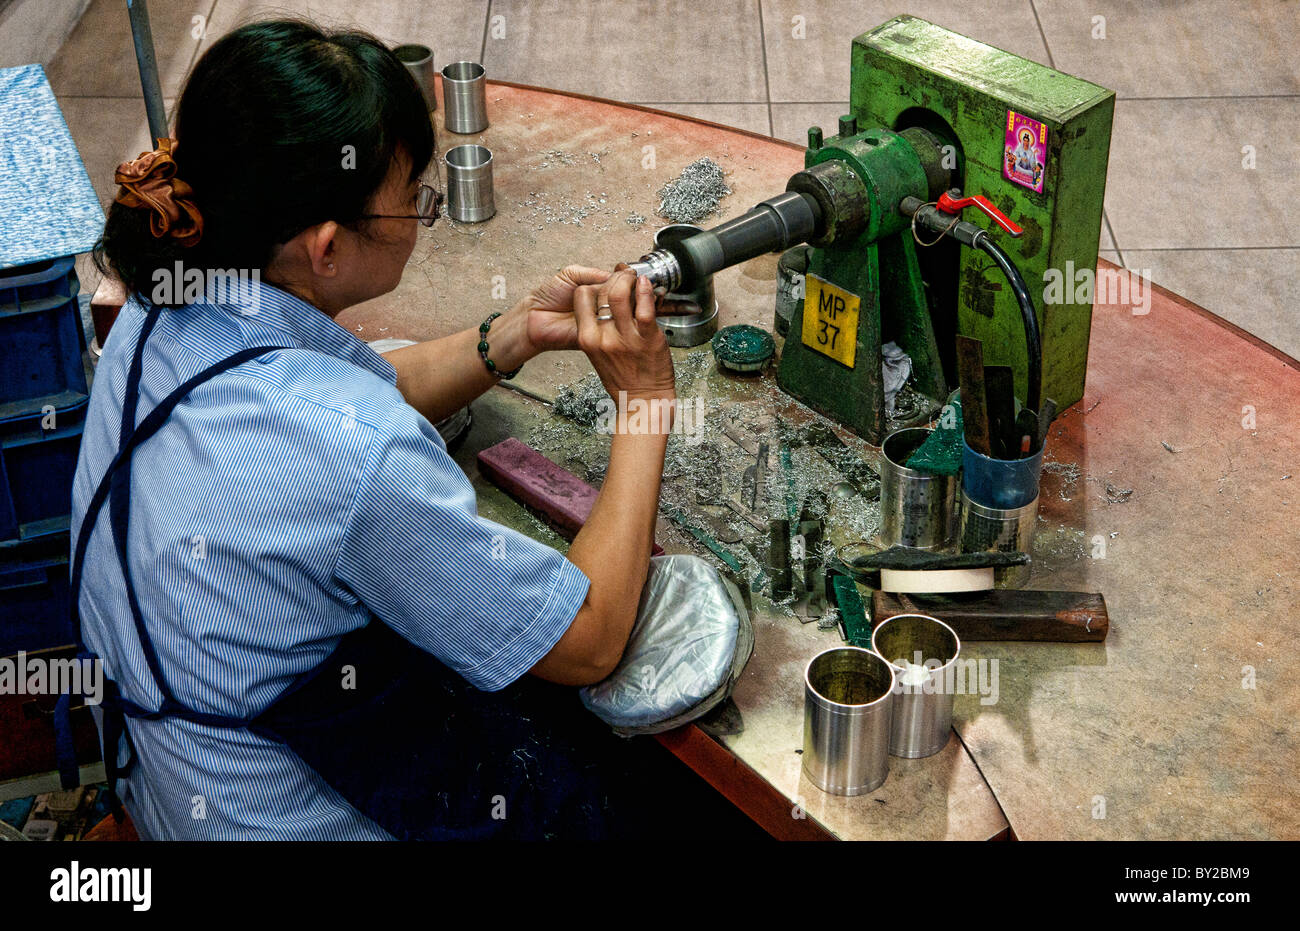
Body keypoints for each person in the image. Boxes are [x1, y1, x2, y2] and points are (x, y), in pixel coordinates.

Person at [71, 18, 692, 840]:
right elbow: (586, 641)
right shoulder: (350, 449)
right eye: (414, 201)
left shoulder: (161, 304)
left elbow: (329, 408)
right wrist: (646, 401)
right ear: (327, 247)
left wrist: (505, 340)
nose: (420, 214)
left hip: (172, 777)